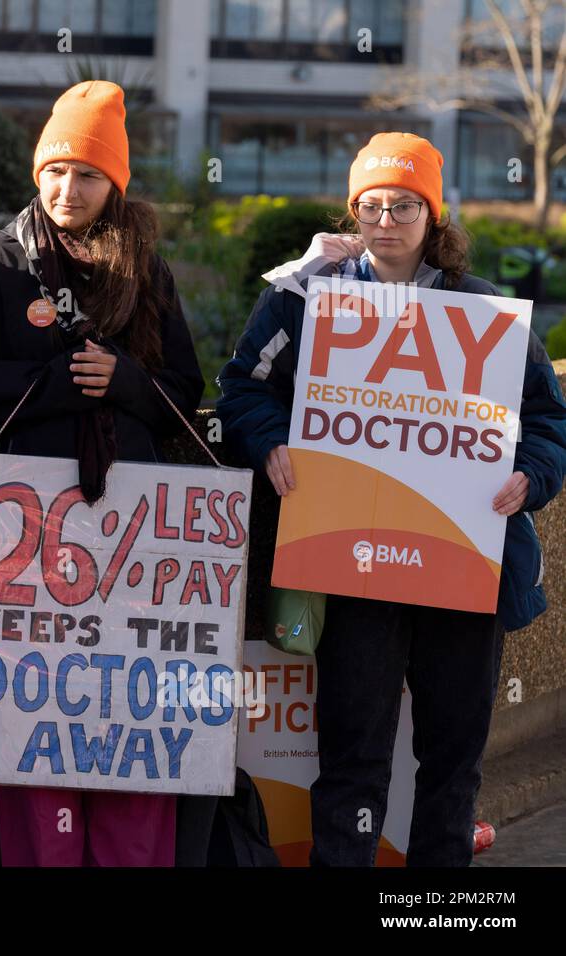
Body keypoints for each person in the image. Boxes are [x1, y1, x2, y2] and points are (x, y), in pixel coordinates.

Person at [216, 131, 566, 866]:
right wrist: (272, 442)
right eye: (369, 204)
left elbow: (549, 420)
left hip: (464, 568)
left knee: (454, 758)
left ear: (432, 216)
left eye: (404, 203)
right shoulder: (309, 299)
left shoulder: (484, 310)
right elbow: (243, 385)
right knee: (352, 753)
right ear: (352, 213)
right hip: (355, 566)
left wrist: (530, 475)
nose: (386, 218)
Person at [0, 80, 206, 866]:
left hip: (129, 542)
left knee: (130, 722)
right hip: (23, 548)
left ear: (114, 184)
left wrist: (129, 383)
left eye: (87, 174)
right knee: (33, 730)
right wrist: (49, 386)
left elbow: (187, 399)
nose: (66, 188)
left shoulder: (145, 273)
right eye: (54, 169)